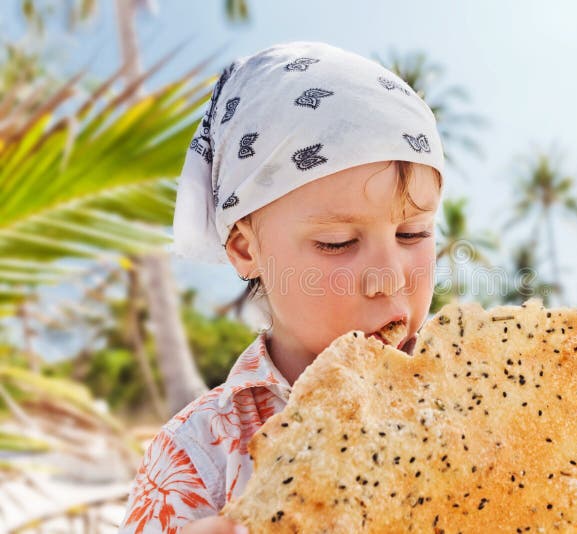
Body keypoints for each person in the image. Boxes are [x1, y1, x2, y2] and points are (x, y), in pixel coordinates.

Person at [119, 41, 445, 533]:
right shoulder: (197, 454)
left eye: (412, 234)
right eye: (337, 242)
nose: (390, 277)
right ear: (246, 249)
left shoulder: (470, 387)